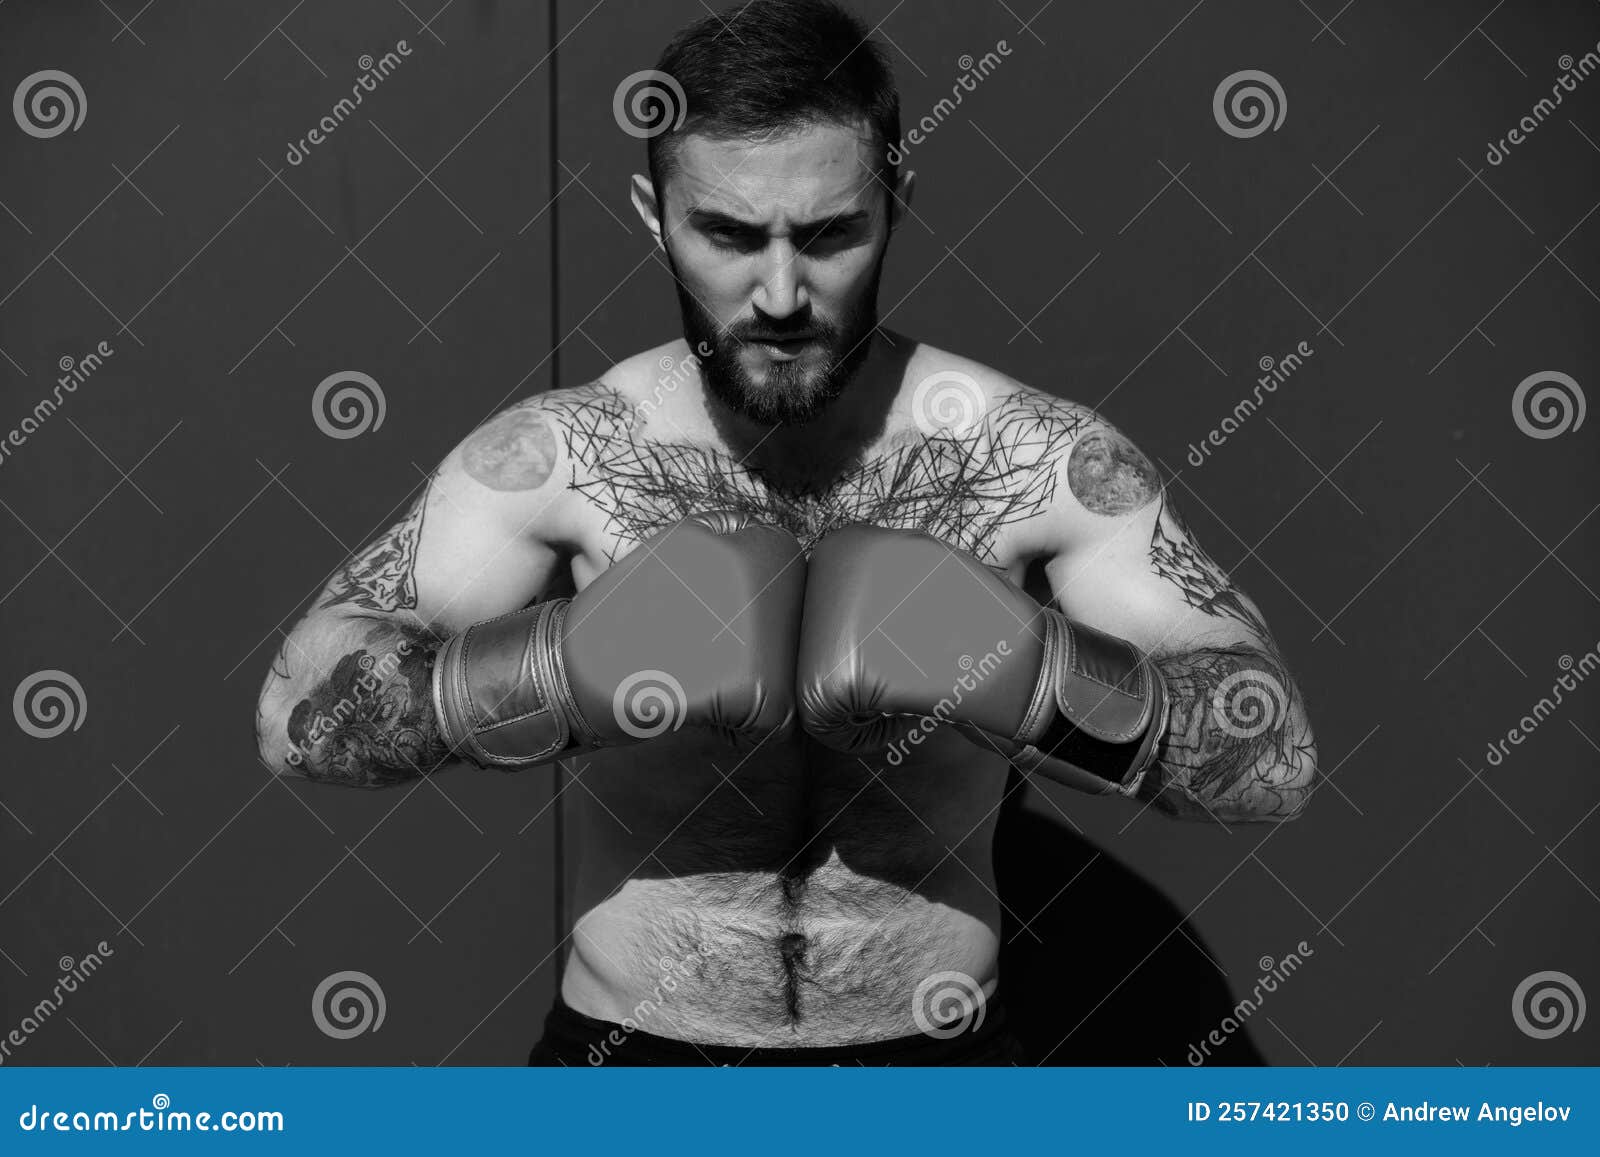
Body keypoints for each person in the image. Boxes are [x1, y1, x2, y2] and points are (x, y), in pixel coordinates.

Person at [254, 0, 1318, 1066]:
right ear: (652, 214)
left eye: (826, 236)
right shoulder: (565, 459)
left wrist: (1029, 674)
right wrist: (558, 668)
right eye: (725, 233)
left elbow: (1273, 760)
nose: (776, 293)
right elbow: (298, 713)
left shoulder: (1031, 460)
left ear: (894, 202)